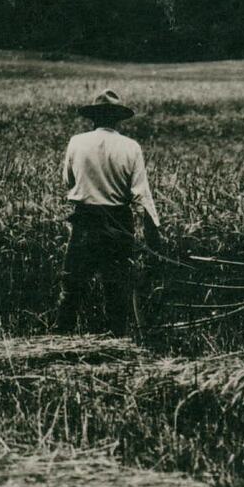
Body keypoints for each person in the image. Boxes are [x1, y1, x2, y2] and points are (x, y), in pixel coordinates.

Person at [55, 90, 161, 336]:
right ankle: (117, 342)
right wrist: (154, 234)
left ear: (93, 118)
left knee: (72, 287)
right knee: (116, 287)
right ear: (117, 119)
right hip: (118, 224)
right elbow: (142, 194)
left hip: (85, 221)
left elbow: (68, 181)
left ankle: (58, 340)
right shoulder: (131, 147)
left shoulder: (76, 142)